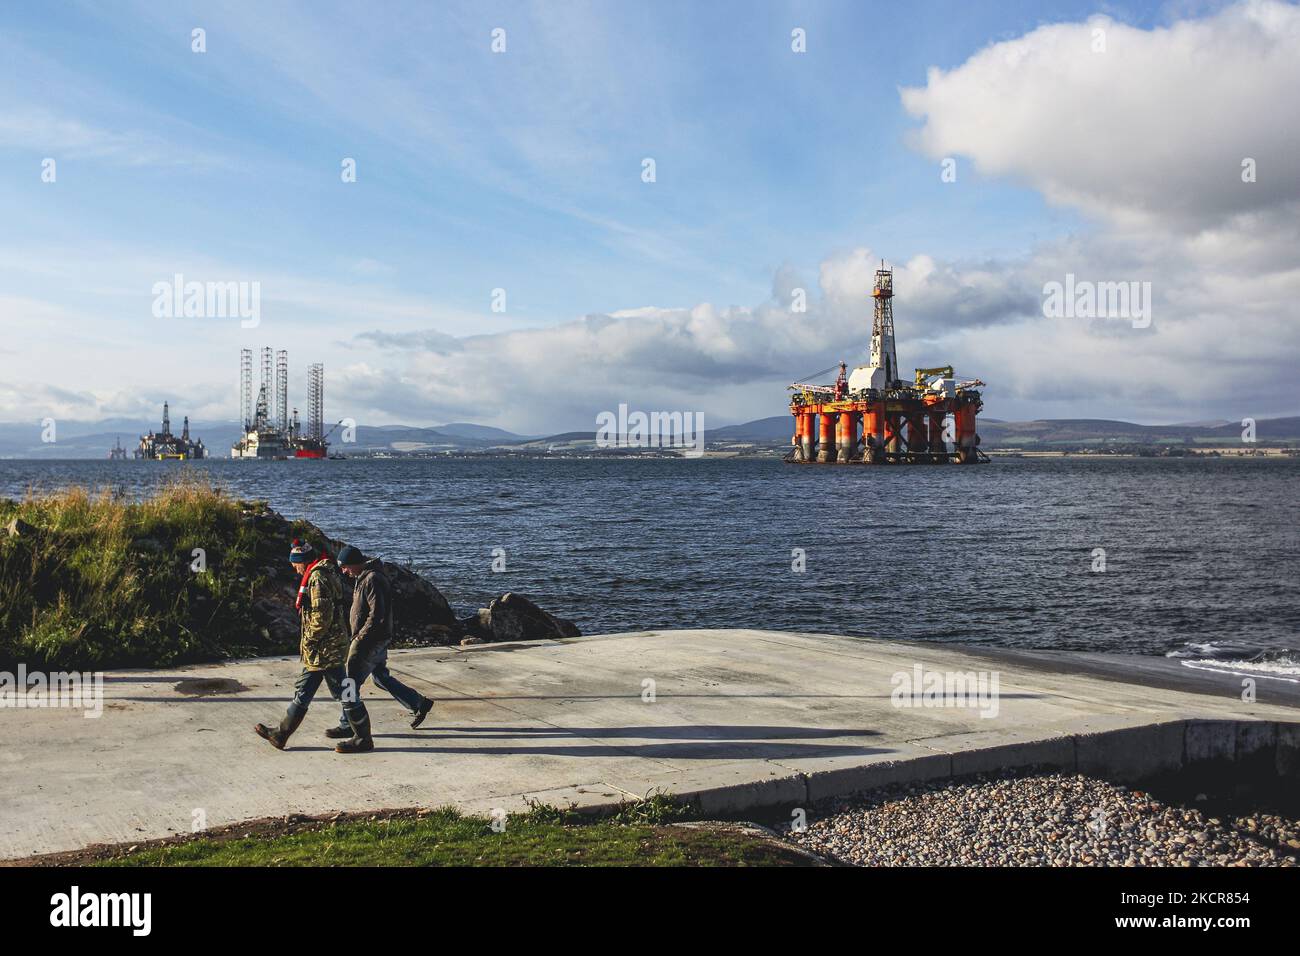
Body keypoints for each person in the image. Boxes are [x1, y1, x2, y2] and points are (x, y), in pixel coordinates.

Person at [254, 539, 374, 754]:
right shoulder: (322, 572)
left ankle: (363, 738)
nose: (294, 568)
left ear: (303, 561)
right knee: (305, 690)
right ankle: (280, 734)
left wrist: (310, 639)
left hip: (325, 648)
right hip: (324, 647)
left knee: (345, 692)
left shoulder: (318, 578)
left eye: (295, 563)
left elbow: (322, 615)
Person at [326, 544, 433, 738]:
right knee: (380, 677)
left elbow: (377, 614)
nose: (344, 571)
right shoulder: (365, 577)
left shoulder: (373, 579)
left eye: (345, 567)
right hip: (377, 639)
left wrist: (360, 636)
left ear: (354, 563)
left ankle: (348, 723)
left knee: (349, 682)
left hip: (369, 641)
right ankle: (418, 703)